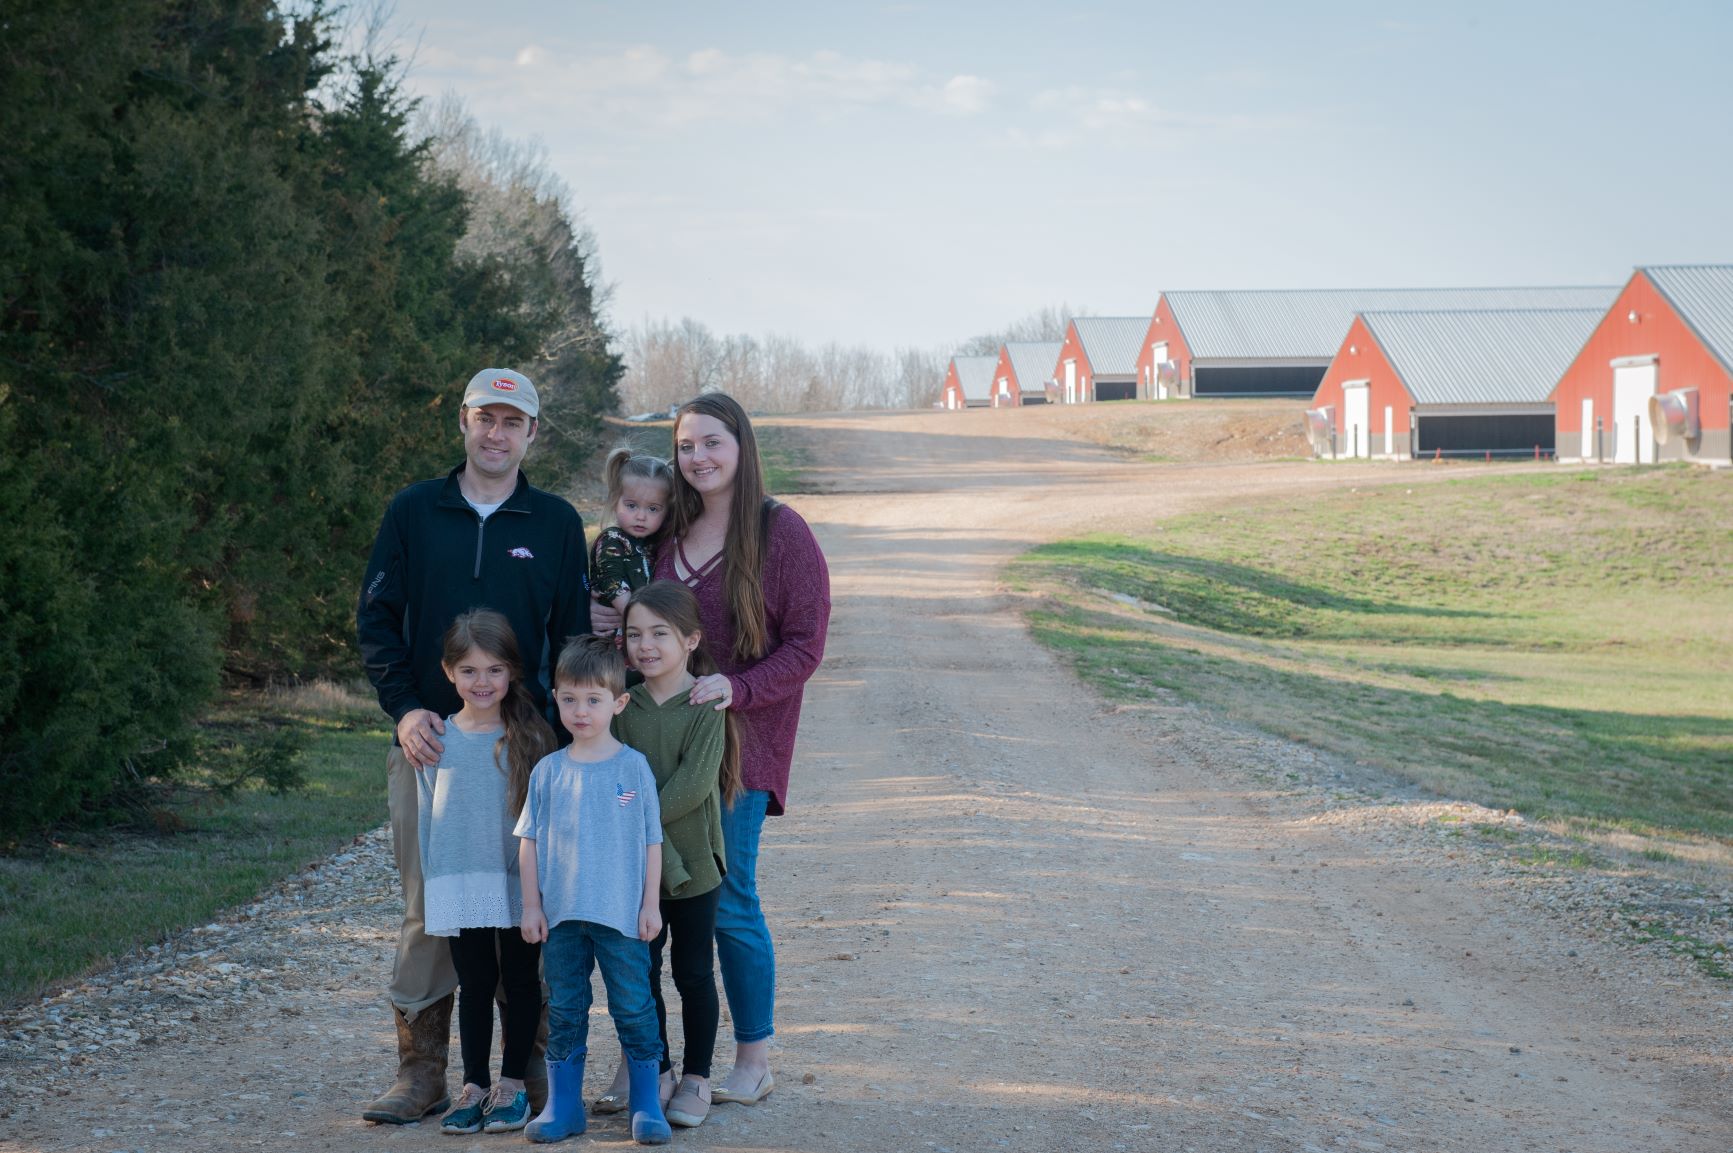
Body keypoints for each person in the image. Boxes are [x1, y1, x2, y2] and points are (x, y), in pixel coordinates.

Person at [357, 367, 592, 1125]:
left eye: (512, 421)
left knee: (530, 900)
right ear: (462, 420)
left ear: (532, 433)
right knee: (434, 902)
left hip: (531, 751)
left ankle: (528, 1061)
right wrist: (404, 710)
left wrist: (565, 736)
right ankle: (422, 1069)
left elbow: (573, 638)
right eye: (484, 417)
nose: (496, 433)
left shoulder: (555, 522)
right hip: (433, 743)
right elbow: (376, 620)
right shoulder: (413, 510)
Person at [650, 393, 830, 1104]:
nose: (697, 457)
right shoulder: (667, 527)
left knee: (726, 898)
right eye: (685, 445)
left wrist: (739, 686)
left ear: (741, 445)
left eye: (711, 442)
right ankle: (650, 1059)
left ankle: (753, 1058)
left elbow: (805, 646)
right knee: (649, 898)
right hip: (659, 743)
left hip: (741, 746)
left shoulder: (780, 532)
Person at [595, 581, 740, 1128]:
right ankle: (655, 1070)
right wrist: (626, 808)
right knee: (642, 972)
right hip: (636, 869)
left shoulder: (705, 703)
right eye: (634, 635)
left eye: (660, 634)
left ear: (691, 640)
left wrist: (634, 815)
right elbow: (612, 778)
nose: (646, 645)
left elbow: (693, 786)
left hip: (695, 865)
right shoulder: (623, 706)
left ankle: (697, 1076)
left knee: (694, 973)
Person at [516, 636, 671, 1146]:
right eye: (569, 699)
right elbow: (529, 841)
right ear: (556, 699)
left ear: (618, 702)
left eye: (593, 700)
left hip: (621, 916)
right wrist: (532, 906)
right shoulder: (548, 771)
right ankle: (564, 1107)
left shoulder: (632, 768)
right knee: (565, 1009)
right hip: (562, 917)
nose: (580, 711)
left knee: (633, 1007)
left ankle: (646, 1104)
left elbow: (650, 840)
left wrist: (650, 904)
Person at [417, 611, 558, 1134]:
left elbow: (546, 821)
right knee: (474, 984)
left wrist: (541, 890)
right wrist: (436, 884)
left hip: (518, 880)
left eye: (495, 670)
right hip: (460, 880)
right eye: (470, 670)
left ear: (512, 671)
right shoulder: (436, 738)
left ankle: (513, 1086)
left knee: (520, 981)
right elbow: (428, 818)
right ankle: (474, 1087)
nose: (483, 682)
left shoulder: (532, 737)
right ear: (448, 672)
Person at [590, 448, 675, 625]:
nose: (641, 516)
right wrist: (641, 620)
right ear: (615, 501)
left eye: (653, 509)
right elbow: (613, 583)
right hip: (613, 633)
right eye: (631, 505)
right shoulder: (612, 540)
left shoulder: (656, 543)